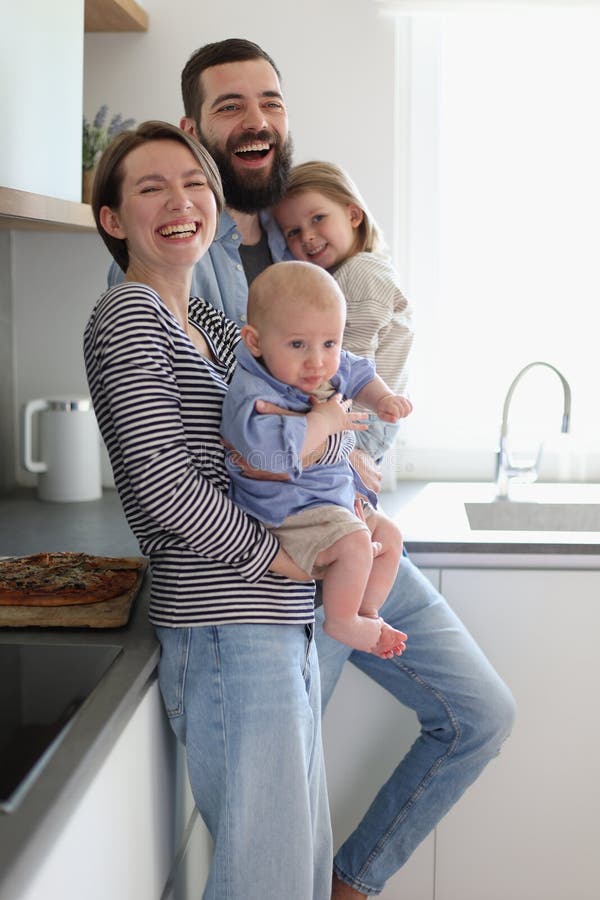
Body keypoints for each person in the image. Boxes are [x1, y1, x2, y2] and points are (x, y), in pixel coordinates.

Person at [111, 38, 516, 900]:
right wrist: (292, 540)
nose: (255, 121)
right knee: (268, 831)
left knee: (478, 714)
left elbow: (354, 372)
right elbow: (202, 450)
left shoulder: (316, 241)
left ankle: (348, 882)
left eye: (270, 102)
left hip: (339, 526)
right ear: (195, 132)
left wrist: (361, 450)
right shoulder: (189, 266)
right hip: (270, 552)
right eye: (229, 107)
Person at [85, 121, 333, 900]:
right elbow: (161, 487)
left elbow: (294, 410)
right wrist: (279, 555)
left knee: (296, 867)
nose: (180, 201)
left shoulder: (213, 327)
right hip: (228, 624)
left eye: (194, 183)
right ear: (114, 221)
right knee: (271, 879)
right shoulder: (130, 315)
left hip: (273, 618)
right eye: (150, 188)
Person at [222, 260, 411, 657]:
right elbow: (265, 457)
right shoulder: (253, 392)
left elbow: (357, 371)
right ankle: (342, 622)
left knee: (389, 536)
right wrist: (324, 421)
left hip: (331, 500)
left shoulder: (320, 359)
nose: (318, 361)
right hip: (289, 512)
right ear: (255, 342)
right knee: (358, 542)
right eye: (298, 345)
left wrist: (383, 399)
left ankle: (366, 612)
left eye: (330, 343)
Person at [273, 159, 413, 464]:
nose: (307, 236)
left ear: (353, 215)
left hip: (361, 418)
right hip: (367, 417)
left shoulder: (359, 274)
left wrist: (305, 413)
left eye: (318, 218)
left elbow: (353, 362)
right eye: (293, 232)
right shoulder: (352, 272)